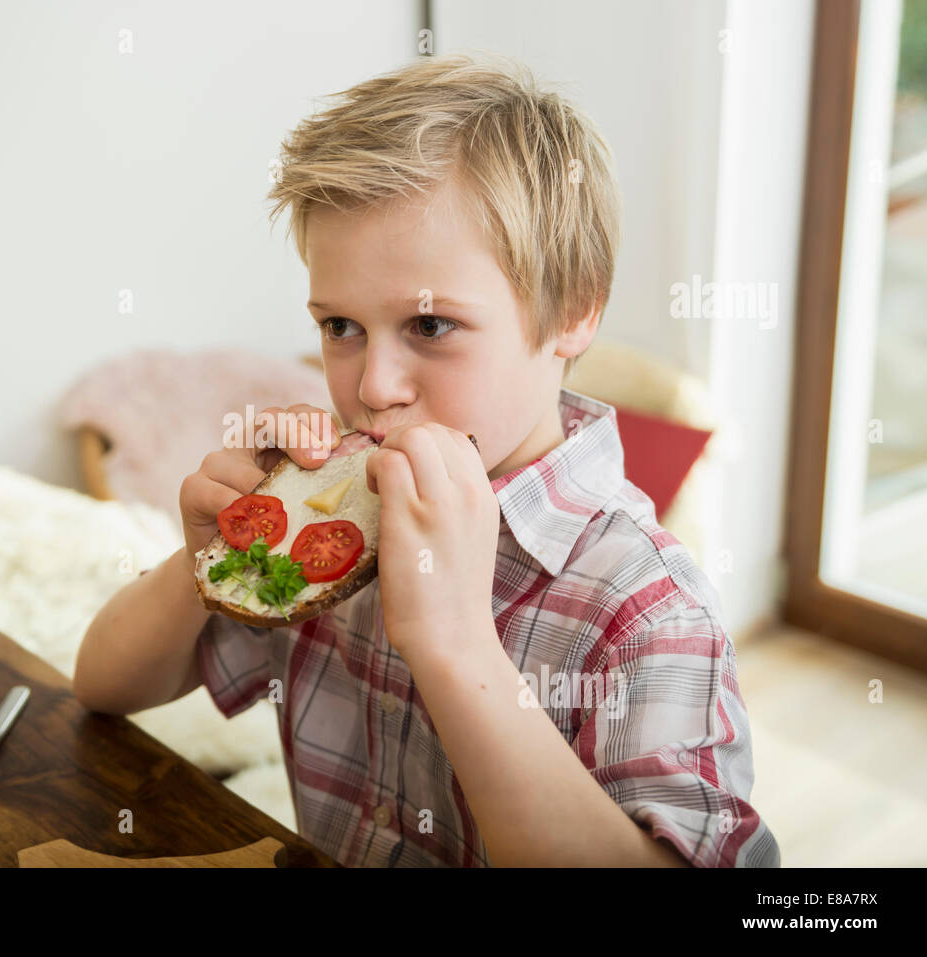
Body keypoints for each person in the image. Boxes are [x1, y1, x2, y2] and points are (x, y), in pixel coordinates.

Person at [74, 52, 781, 868]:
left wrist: (454, 645)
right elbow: (103, 684)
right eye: (340, 327)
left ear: (575, 311)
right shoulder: (331, 532)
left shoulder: (645, 607)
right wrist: (204, 563)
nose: (373, 386)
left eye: (430, 327)